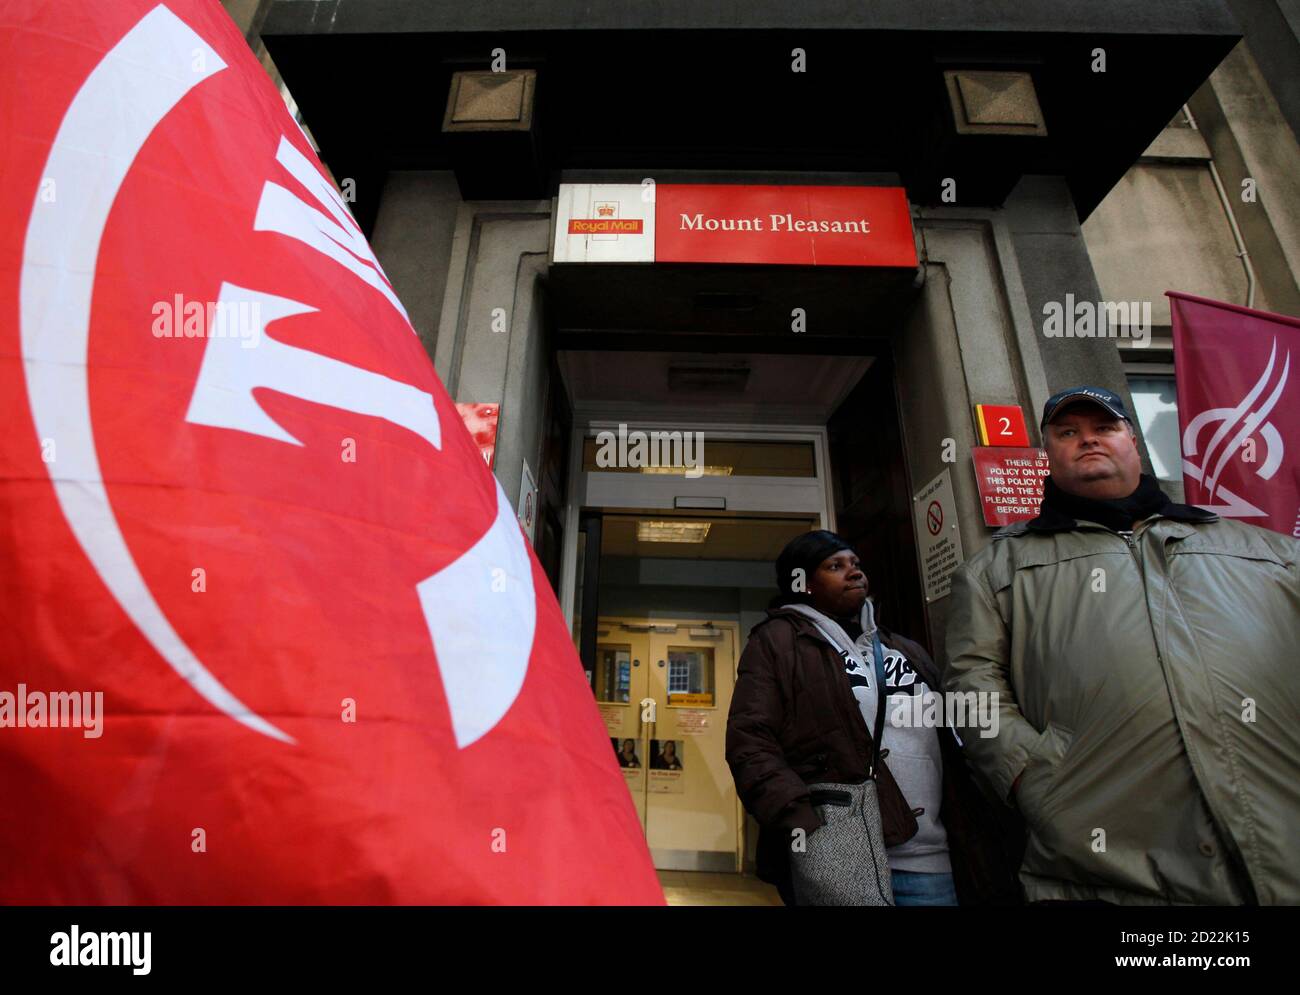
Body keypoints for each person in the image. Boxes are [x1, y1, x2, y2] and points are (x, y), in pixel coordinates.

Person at [944, 385, 1300, 904]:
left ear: (1133, 441)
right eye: (1068, 433)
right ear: (1047, 455)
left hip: (1282, 838)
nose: (1087, 441)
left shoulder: (1265, 550)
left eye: (1104, 429)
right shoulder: (995, 569)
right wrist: (1033, 778)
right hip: (1109, 867)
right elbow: (971, 686)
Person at [726, 530, 1020, 906]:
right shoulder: (778, 643)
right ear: (802, 582)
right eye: (835, 566)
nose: (854, 573)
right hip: (841, 857)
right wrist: (799, 821)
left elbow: (954, 736)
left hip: (931, 860)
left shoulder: (904, 649)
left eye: (856, 565)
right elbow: (750, 740)